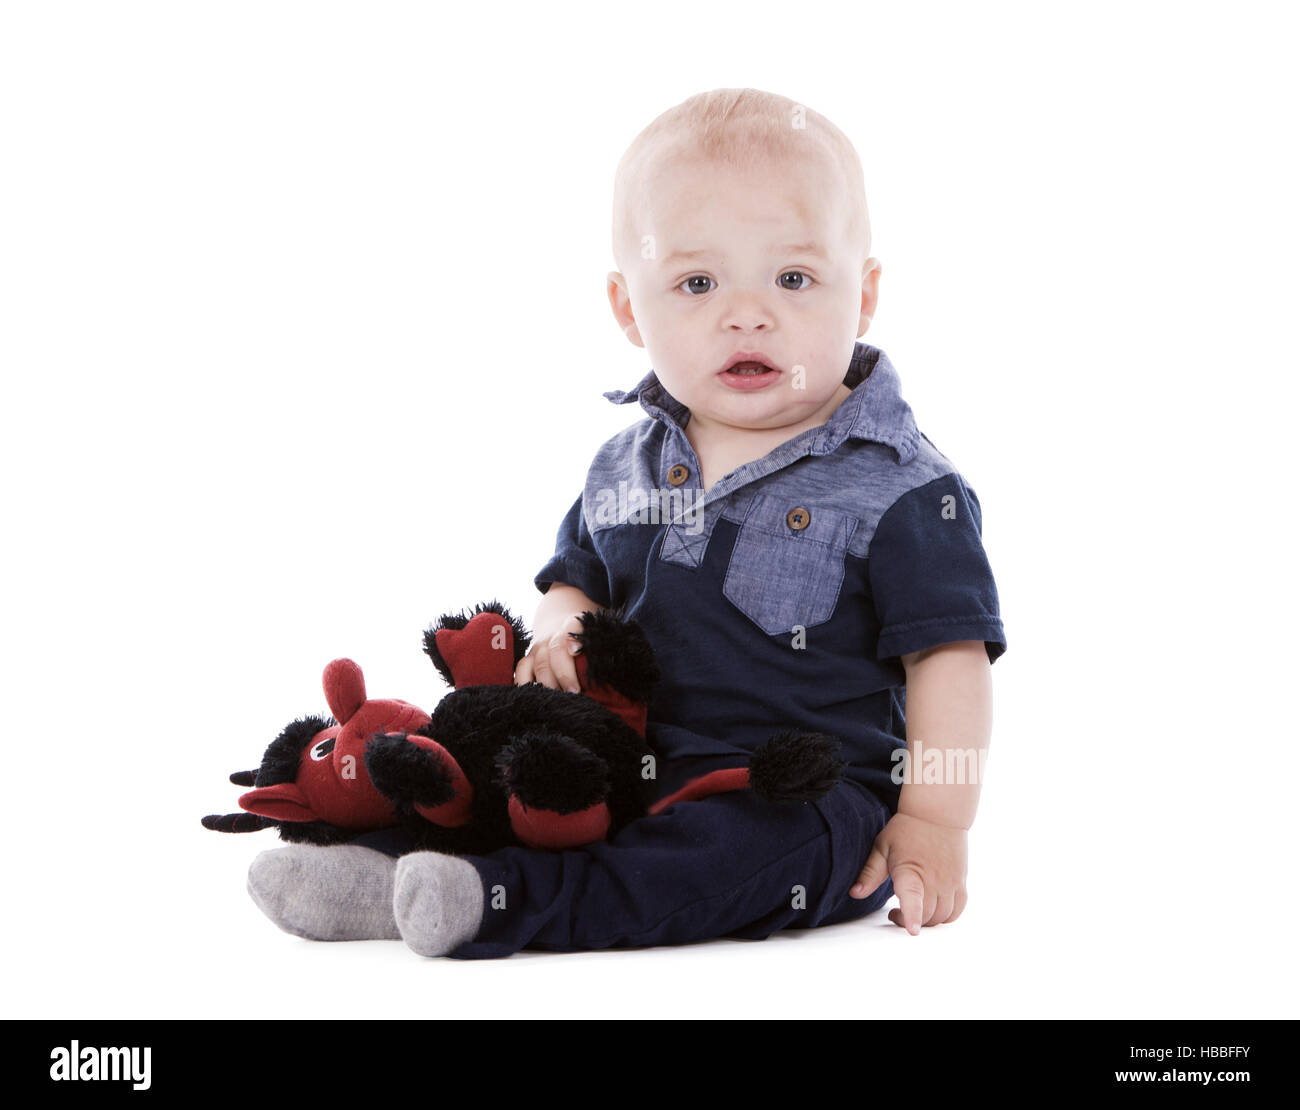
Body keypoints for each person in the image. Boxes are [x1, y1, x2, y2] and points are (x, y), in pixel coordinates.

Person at [246, 88, 1006, 959]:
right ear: (627, 308)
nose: (747, 313)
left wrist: (936, 821)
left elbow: (948, 658)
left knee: (739, 852)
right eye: (696, 282)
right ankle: (383, 868)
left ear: (864, 294)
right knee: (500, 774)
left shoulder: (903, 485)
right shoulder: (623, 464)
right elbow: (573, 579)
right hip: (617, 757)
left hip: (796, 788)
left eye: (793, 278)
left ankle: (505, 902)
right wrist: (560, 634)